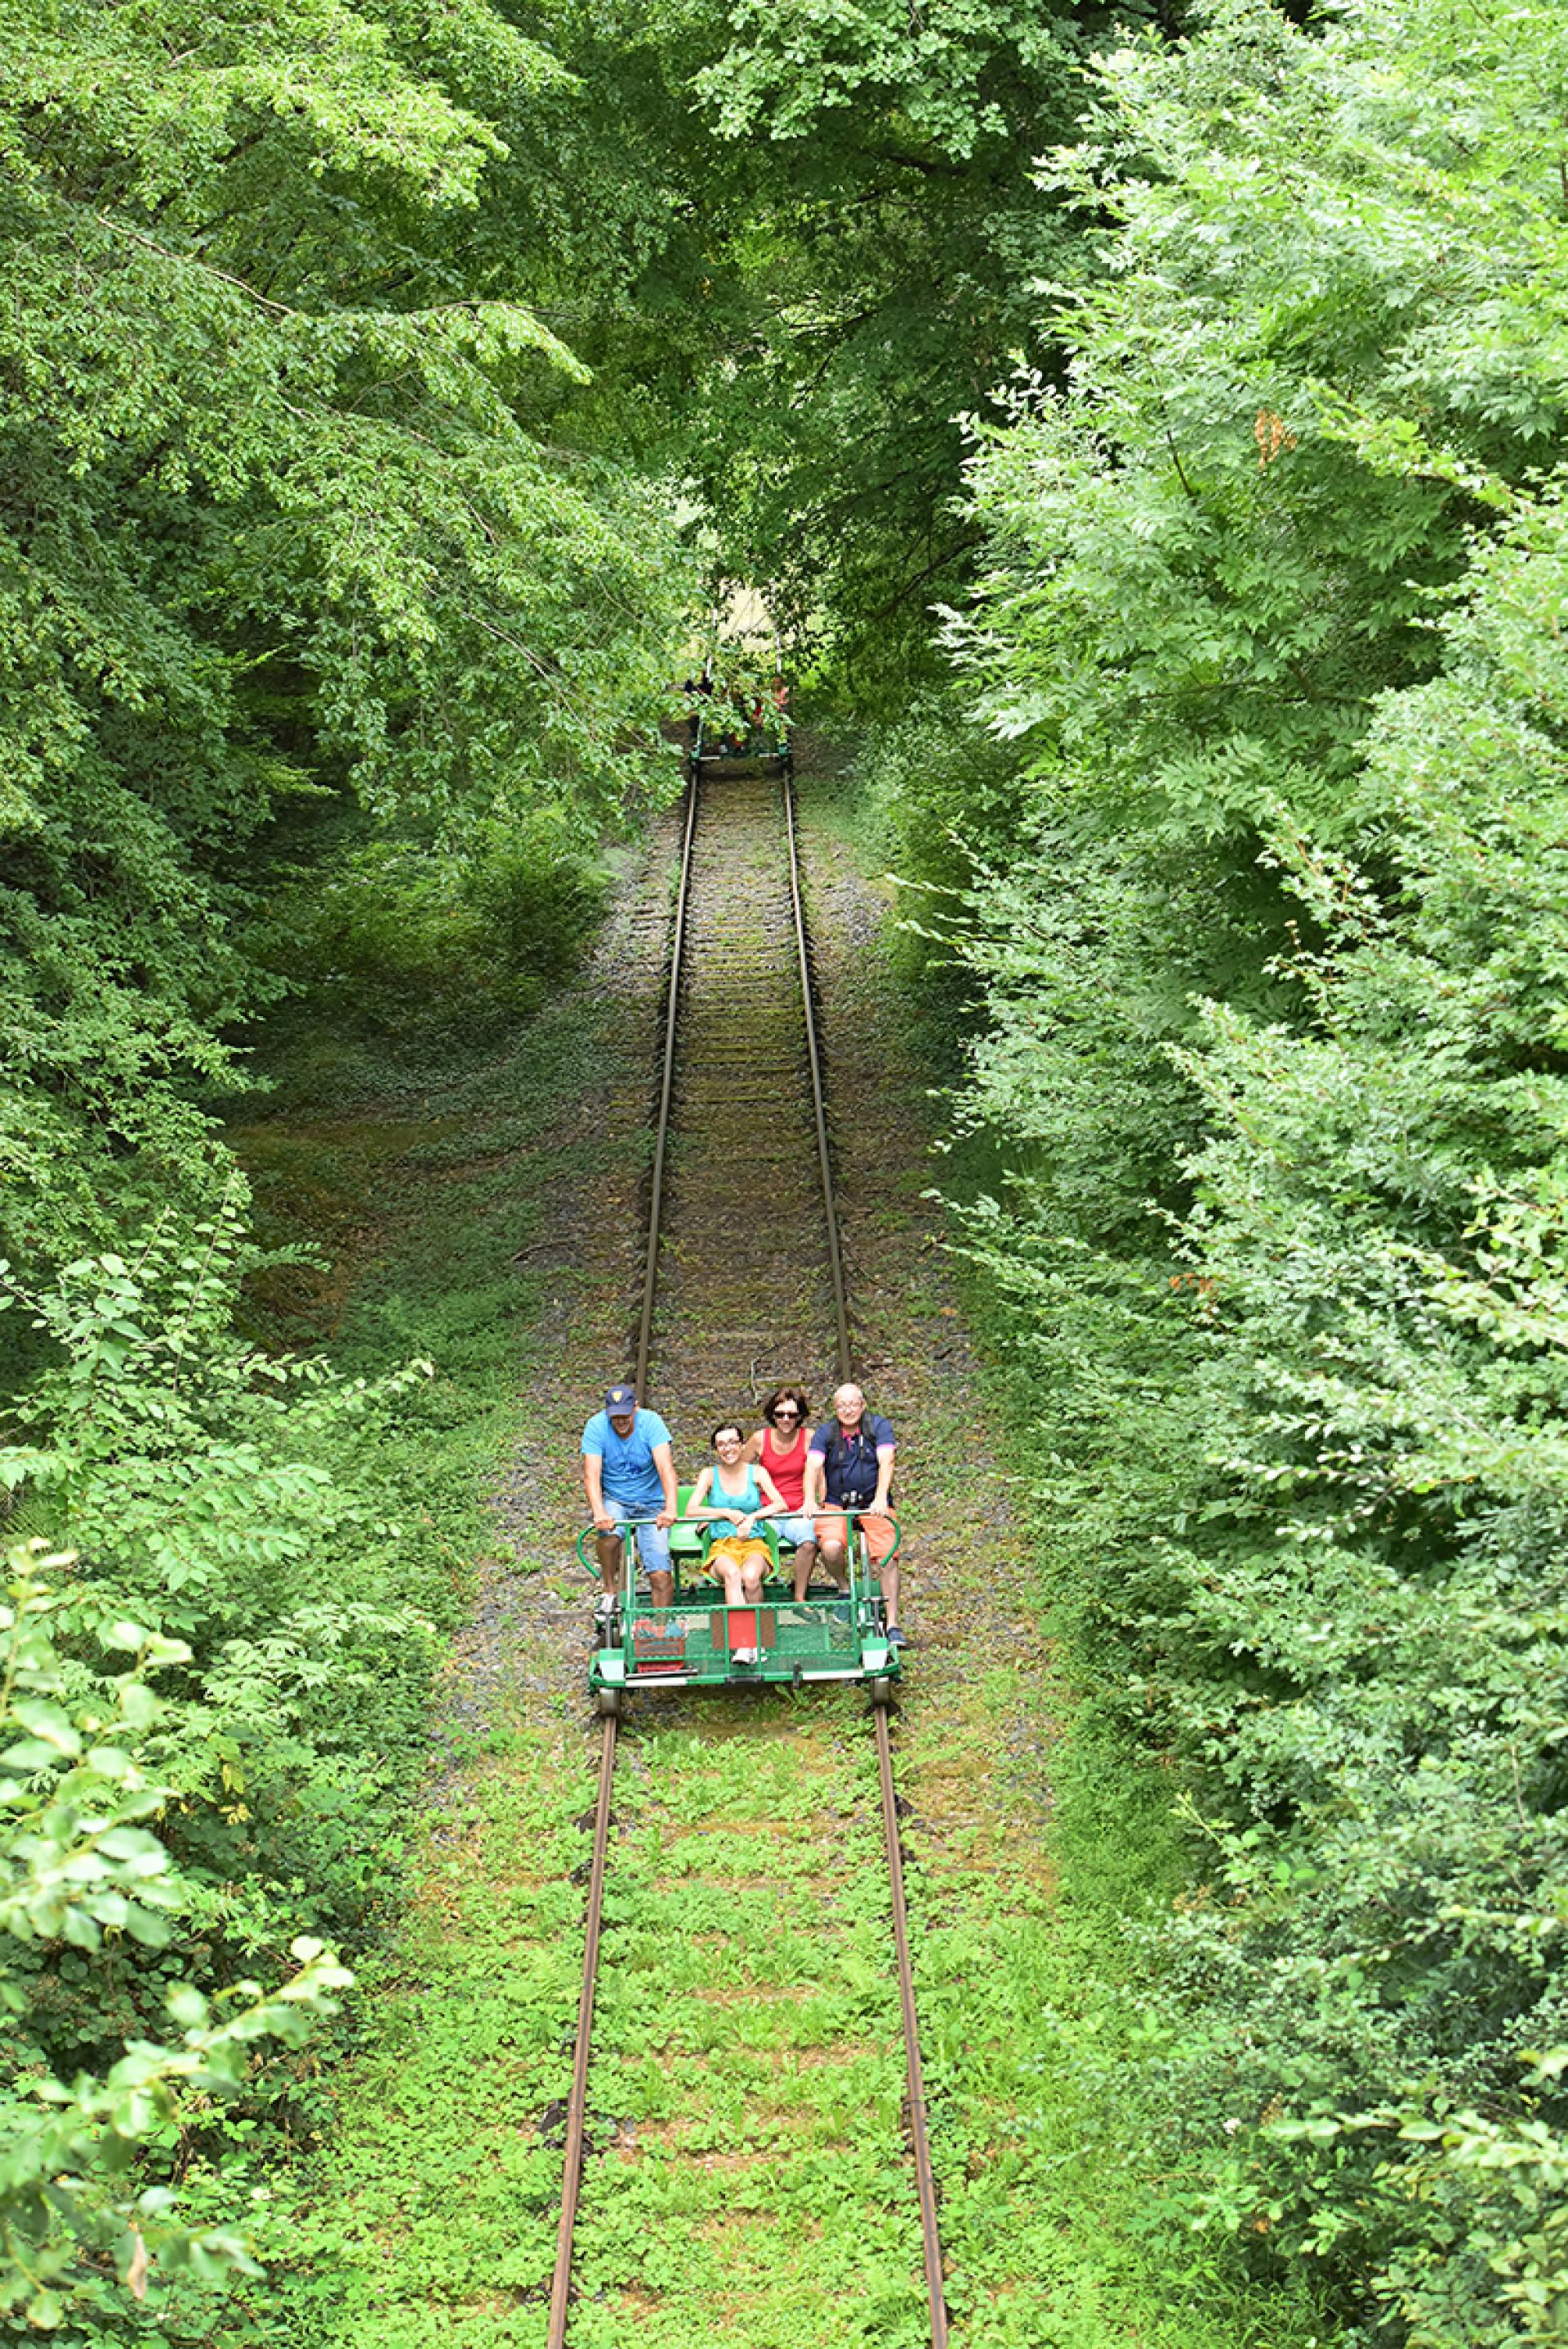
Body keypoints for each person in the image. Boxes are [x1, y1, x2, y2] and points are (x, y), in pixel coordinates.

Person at [804, 1384, 903, 1644]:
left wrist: (881, 1497)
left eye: (853, 1404)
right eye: (842, 1406)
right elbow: (813, 1465)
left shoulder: (878, 1427)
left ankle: (892, 1623)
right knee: (831, 1548)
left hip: (872, 1501)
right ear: (835, 1409)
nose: (848, 1410)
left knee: (888, 1556)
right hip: (838, 1502)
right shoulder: (827, 1432)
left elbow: (887, 1460)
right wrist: (809, 1500)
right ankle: (844, 1587)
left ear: (863, 1404)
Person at [687, 1422, 786, 1666]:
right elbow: (691, 1509)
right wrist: (725, 1513)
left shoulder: (757, 1472)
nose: (728, 1448)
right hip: (723, 1543)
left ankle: (758, 1641)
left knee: (751, 1576)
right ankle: (744, 1643)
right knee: (732, 1574)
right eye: (721, 1444)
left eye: (732, 1442)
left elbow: (779, 1504)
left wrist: (752, 1517)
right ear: (716, 1449)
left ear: (742, 1445)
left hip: (753, 1542)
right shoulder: (709, 1475)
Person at [581, 1384, 676, 1620]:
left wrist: (670, 1508)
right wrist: (599, 1512)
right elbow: (591, 1475)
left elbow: (666, 1468)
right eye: (615, 1417)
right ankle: (609, 1589)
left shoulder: (651, 1423)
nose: (621, 1422)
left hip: (651, 1502)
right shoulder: (596, 1427)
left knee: (660, 1574)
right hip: (616, 1499)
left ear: (636, 1409)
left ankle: (661, 1630)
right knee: (609, 1535)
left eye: (625, 1416)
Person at [745, 1386, 818, 1598]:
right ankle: (756, 1590)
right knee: (754, 1542)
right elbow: (739, 1471)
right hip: (768, 1509)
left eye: (792, 1415)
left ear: (800, 1416)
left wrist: (815, 1501)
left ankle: (799, 1595)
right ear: (772, 1415)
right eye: (780, 1414)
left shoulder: (808, 1438)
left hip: (799, 1508)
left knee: (808, 1542)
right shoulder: (760, 1439)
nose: (786, 1419)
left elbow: (819, 1472)